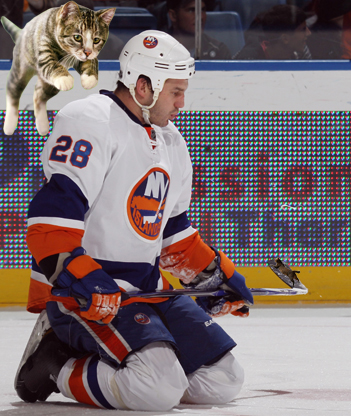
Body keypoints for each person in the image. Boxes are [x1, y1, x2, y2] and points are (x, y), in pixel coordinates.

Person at [14, 30, 253, 411]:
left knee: (223, 381)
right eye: (175, 91)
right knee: (156, 391)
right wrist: (83, 279)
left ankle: (123, 360)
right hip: (88, 294)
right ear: (144, 86)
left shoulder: (172, 142)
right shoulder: (90, 120)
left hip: (148, 289)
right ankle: (55, 364)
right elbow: (50, 220)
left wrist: (214, 276)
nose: (182, 103)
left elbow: (172, 234)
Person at [234, 4, 312, 60]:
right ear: (285, 39)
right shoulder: (248, 59)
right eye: (303, 30)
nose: (309, 33)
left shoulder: (302, 52)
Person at [167, 0, 232, 59]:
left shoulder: (218, 51)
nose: (201, 17)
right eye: (191, 10)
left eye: (202, 10)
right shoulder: (159, 47)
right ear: (173, 15)